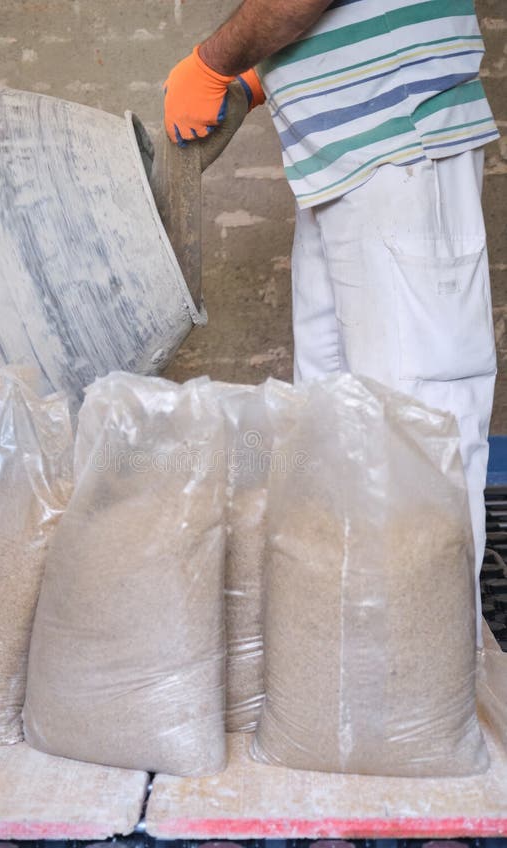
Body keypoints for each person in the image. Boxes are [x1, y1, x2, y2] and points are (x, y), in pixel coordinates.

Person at [164, 0, 499, 636]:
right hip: (344, 166)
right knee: (335, 420)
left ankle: (425, 677)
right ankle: (349, 669)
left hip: (402, 147)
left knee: (416, 429)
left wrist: (215, 61)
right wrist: (275, 70)